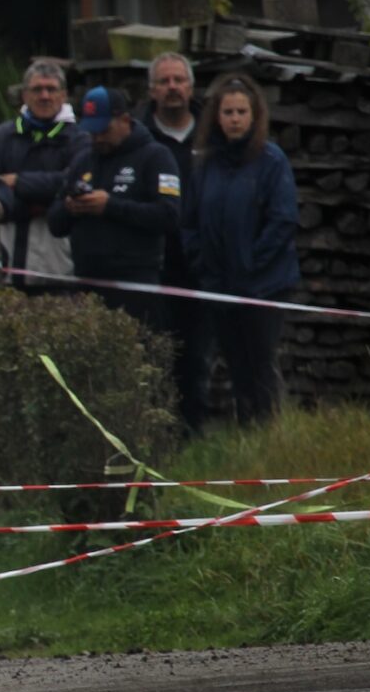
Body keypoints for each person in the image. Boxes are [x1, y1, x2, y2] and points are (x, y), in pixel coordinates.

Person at [182, 73, 301, 424]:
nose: (235, 119)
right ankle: (245, 431)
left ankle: (270, 432)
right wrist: (202, 263)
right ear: (216, 117)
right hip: (218, 284)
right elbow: (189, 221)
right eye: (228, 111)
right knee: (235, 363)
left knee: (261, 361)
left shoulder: (271, 161)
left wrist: (251, 265)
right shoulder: (205, 164)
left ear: (254, 115)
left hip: (263, 285)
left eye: (241, 112)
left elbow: (283, 220)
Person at [45, 87, 181, 332]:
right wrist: (71, 208)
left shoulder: (156, 156)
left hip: (135, 283)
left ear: (125, 120)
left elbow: (168, 216)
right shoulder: (83, 160)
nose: (97, 138)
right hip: (88, 283)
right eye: (92, 132)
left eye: (104, 130)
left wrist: (111, 207)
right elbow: (55, 223)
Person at [136, 52, 211, 433]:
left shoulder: (213, 134)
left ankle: (194, 433)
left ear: (191, 87)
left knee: (196, 354)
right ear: (151, 90)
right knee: (154, 351)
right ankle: (157, 432)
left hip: (200, 264)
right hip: (154, 263)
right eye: (164, 82)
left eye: (178, 80)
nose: (172, 88)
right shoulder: (138, 137)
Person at [0, 59, 88, 291]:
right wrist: (37, 201)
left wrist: (17, 181)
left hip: (57, 264)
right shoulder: (0, 136)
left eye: (51, 89)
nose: (44, 96)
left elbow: (72, 184)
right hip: (5, 263)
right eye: (37, 89)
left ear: (64, 95)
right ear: (25, 95)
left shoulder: (80, 138)